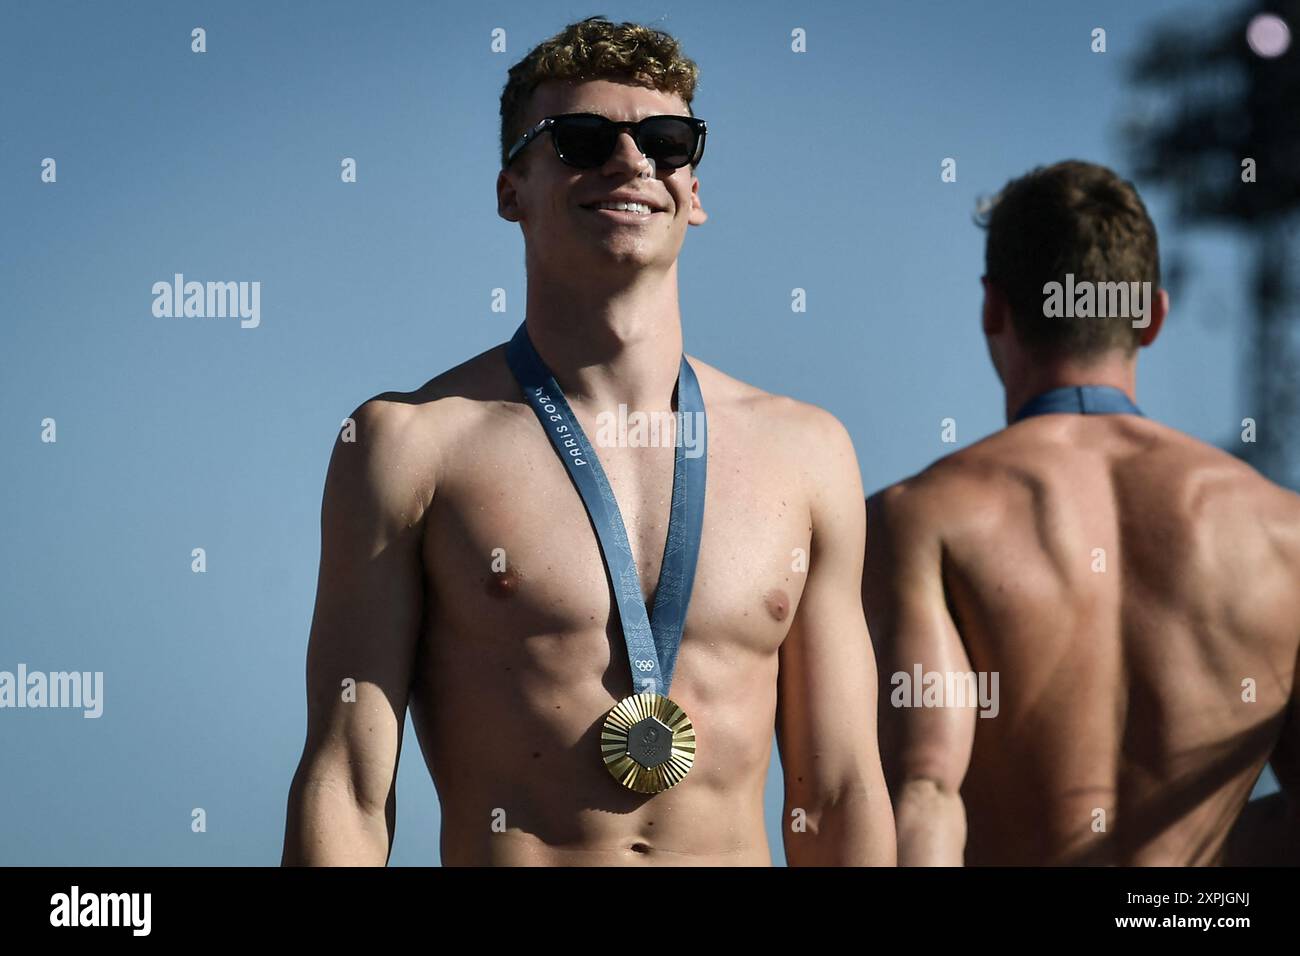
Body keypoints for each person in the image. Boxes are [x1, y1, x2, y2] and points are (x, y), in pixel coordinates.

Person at [282, 16, 895, 866]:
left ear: (696, 187)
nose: (631, 161)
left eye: (668, 141)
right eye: (581, 140)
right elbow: (347, 783)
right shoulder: (409, 444)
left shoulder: (808, 452)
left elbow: (839, 793)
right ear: (510, 191)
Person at [864, 160, 1300, 865]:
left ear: (993, 309)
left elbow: (926, 792)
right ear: (1153, 316)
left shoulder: (922, 520)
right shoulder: (1285, 531)